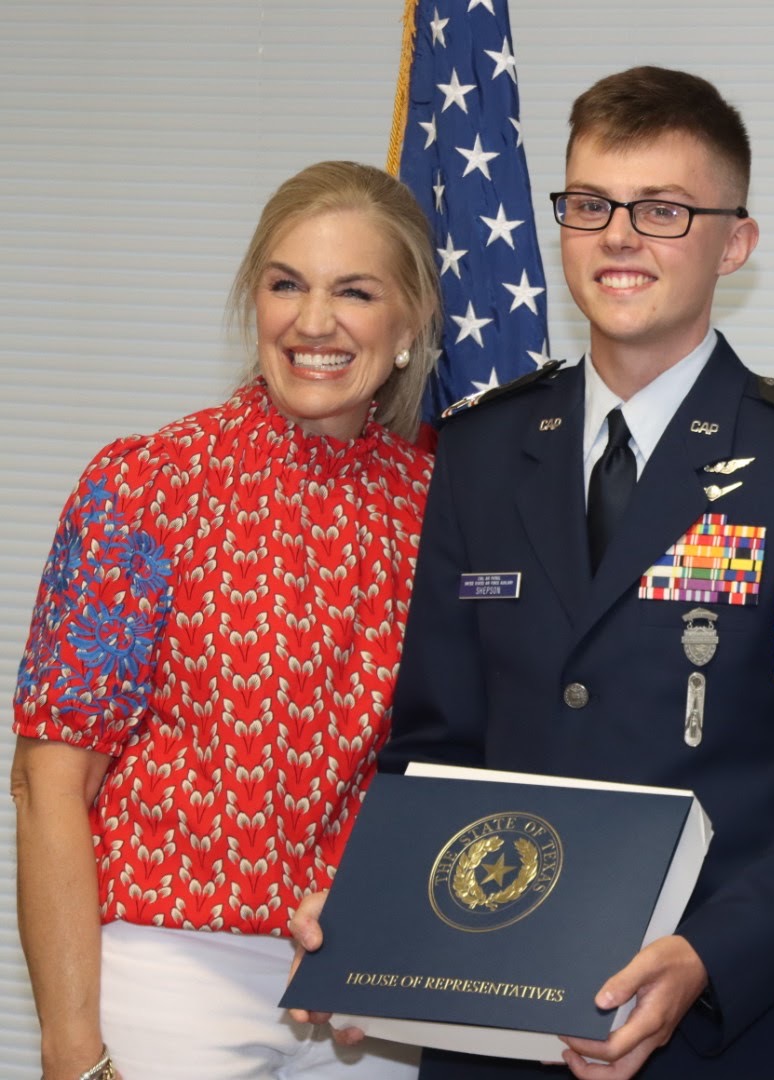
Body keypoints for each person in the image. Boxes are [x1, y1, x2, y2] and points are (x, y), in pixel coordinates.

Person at [291, 66, 774, 1080]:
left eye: (663, 210)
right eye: (591, 205)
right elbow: (433, 746)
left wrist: (705, 961)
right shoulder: (482, 451)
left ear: (736, 242)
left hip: (715, 1040)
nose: (619, 236)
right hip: (488, 1033)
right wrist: (377, 913)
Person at [11, 160, 438, 1080]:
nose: (313, 321)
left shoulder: (447, 512)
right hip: (169, 974)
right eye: (286, 284)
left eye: (354, 292)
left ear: (409, 325)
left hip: (368, 986)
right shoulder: (146, 485)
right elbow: (49, 783)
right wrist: (72, 1050)